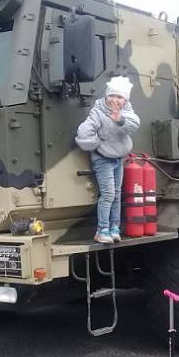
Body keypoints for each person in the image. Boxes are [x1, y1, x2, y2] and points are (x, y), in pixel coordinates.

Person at [75, 76, 140, 244]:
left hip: (118, 158)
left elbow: (134, 124)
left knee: (117, 195)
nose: (115, 100)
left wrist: (120, 120)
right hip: (103, 159)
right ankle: (101, 230)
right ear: (106, 96)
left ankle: (114, 228)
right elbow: (83, 133)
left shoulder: (126, 111)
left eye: (119, 97)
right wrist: (98, 144)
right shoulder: (98, 111)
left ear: (125, 100)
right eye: (112, 96)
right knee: (108, 194)